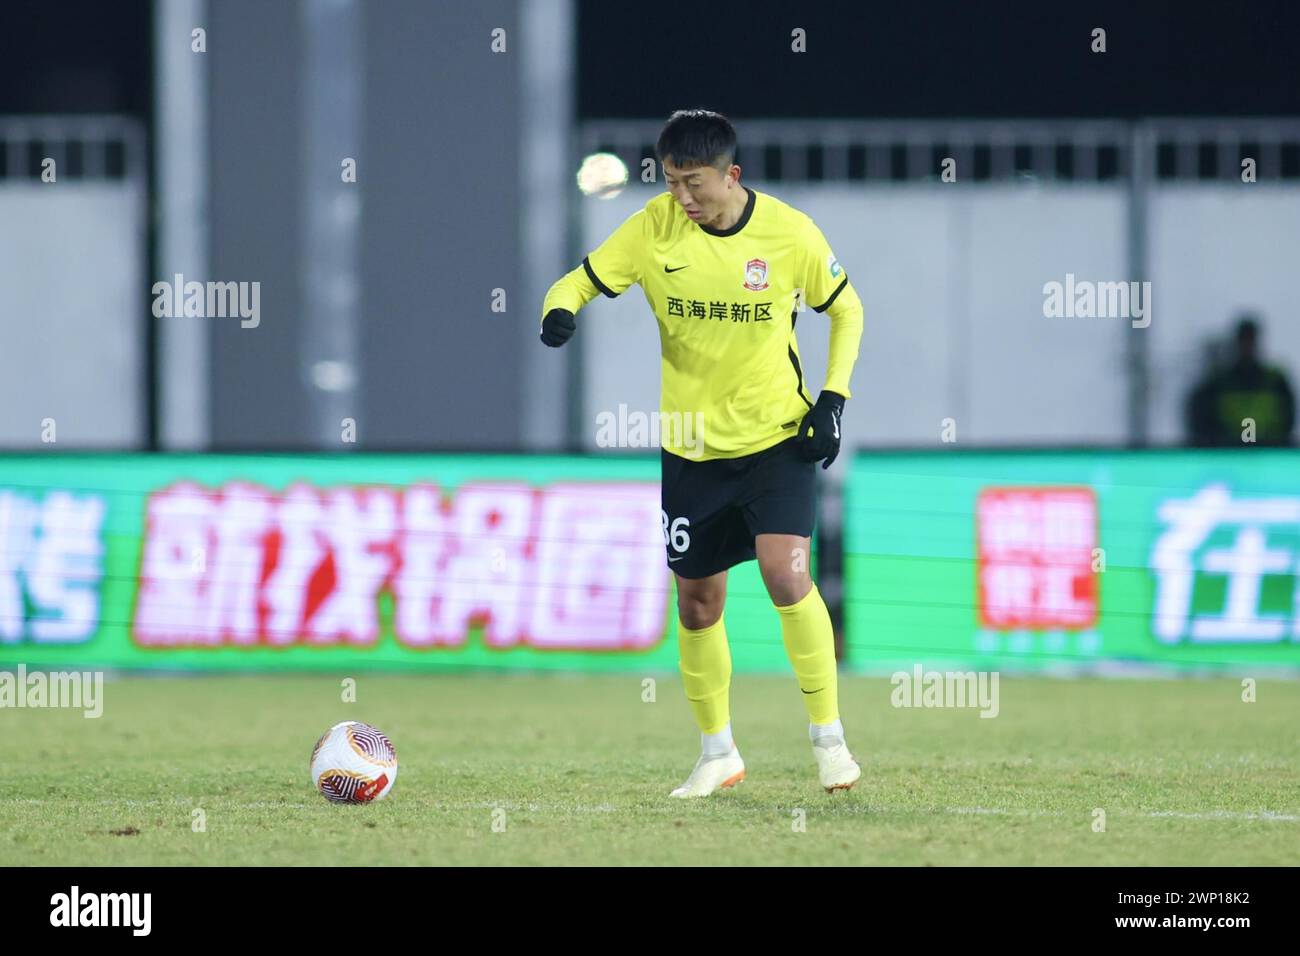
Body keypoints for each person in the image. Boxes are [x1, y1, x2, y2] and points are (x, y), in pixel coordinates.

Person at [539, 109, 865, 796]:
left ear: (731, 176)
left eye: (694, 183)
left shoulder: (788, 233)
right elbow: (574, 281)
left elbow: (846, 308)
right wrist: (559, 310)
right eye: (670, 182)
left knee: (784, 572)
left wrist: (832, 401)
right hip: (690, 448)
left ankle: (829, 739)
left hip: (778, 438)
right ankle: (717, 752)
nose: (682, 198)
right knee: (696, 604)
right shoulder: (653, 229)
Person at [1187, 315, 1295, 447]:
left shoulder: (1276, 381)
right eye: (1244, 340)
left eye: (1250, 340)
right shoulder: (1217, 382)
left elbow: (1288, 420)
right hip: (1228, 455)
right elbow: (1200, 422)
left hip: (1268, 454)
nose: (1247, 346)